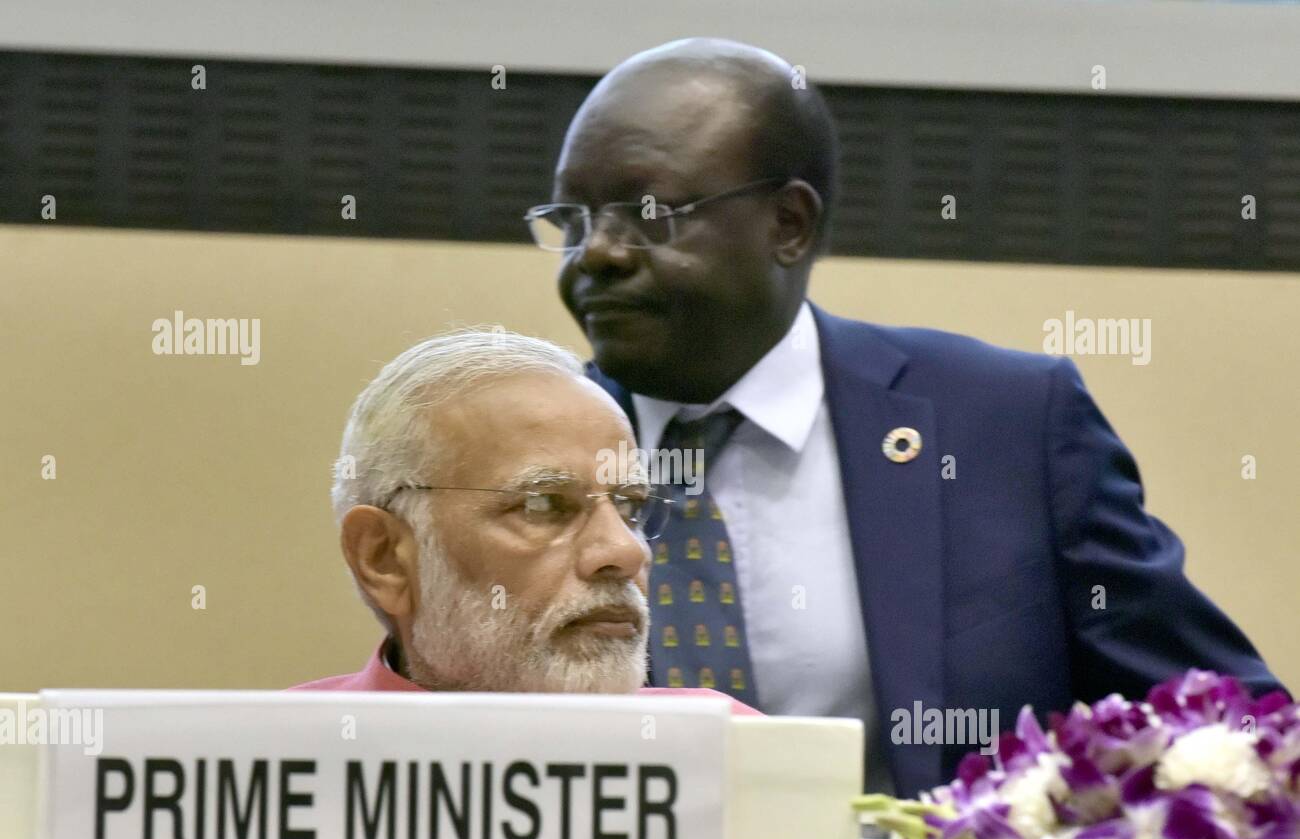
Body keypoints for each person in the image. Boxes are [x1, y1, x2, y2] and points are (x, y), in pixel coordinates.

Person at [527, 38, 1282, 797]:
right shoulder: (513, 456)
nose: (595, 254)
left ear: (789, 223)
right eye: (573, 219)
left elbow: (1226, 729)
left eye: (649, 214)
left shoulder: (1006, 425)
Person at [288, 327, 757, 716]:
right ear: (384, 559)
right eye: (544, 505)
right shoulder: (263, 761)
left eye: (629, 507)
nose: (625, 551)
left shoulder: (736, 752)